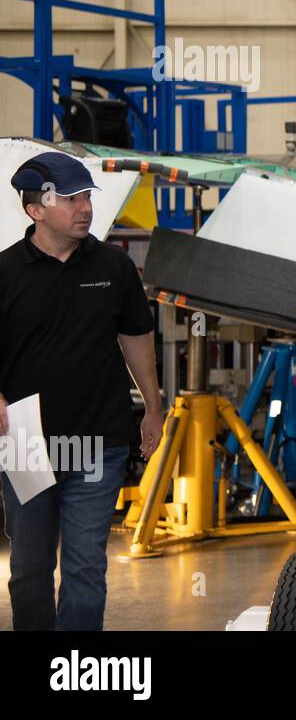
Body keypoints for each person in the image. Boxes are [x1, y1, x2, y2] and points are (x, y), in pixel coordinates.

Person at [0, 151, 162, 630]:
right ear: (37, 208)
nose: (85, 207)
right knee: (30, 569)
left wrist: (152, 406)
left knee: (86, 568)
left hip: (99, 439)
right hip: (27, 442)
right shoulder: (6, 272)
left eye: (87, 196)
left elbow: (136, 337)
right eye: (72, 199)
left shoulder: (112, 265)